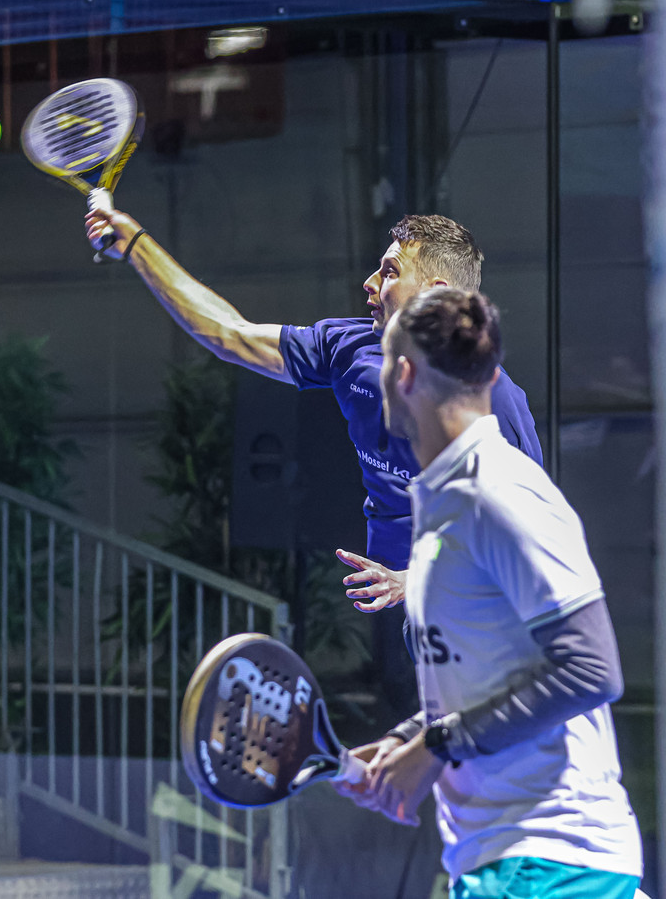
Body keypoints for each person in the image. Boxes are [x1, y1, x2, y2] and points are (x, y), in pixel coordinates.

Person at [85, 208, 542, 711]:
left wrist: (416, 581)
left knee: (480, 738)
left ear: (434, 293)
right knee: (440, 744)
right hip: (396, 600)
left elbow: (522, 545)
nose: (369, 282)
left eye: (390, 271)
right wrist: (137, 246)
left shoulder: (496, 405)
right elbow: (229, 333)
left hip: (476, 606)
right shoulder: (350, 348)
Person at [336, 286, 643, 898]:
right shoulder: (450, 499)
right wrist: (410, 739)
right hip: (514, 862)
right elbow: (492, 672)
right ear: (491, 375)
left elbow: (592, 669)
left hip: (548, 862)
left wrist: (439, 745)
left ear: (399, 377)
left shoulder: (497, 489)